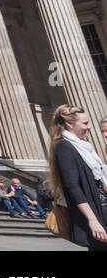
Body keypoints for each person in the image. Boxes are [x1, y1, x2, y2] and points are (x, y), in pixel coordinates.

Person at [47, 103, 107, 250]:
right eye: (85, 123)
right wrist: (92, 220)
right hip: (96, 213)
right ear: (69, 124)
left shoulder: (84, 145)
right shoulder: (64, 147)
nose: (90, 127)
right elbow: (72, 185)